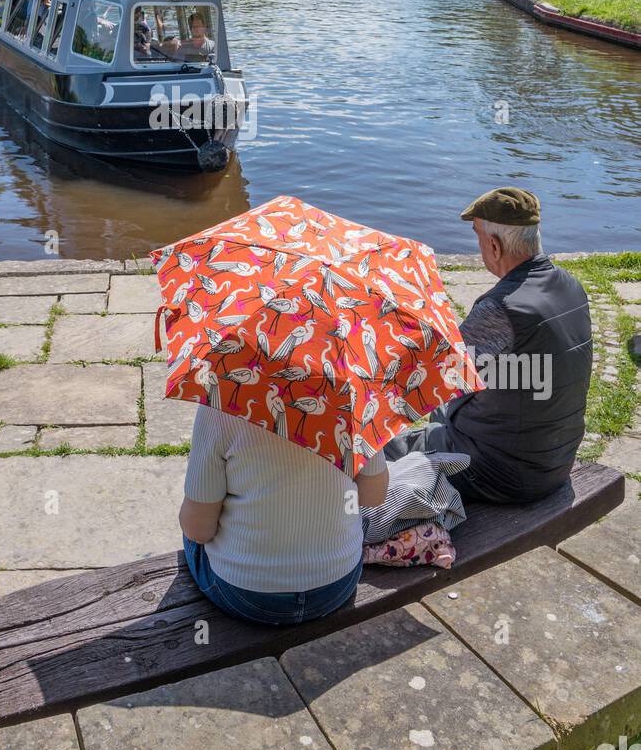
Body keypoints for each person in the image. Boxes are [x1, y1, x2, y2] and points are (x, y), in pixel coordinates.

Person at [385, 187, 592, 504]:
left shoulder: (502, 308)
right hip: (554, 460)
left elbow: (435, 374)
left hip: (503, 476)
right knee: (444, 410)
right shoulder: (570, 286)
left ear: (494, 246)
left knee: (389, 449)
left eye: (478, 236)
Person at [181, 405, 388, 626]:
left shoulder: (218, 406)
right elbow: (373, 496)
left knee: (192, 529)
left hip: (245, 595)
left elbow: (198, 530)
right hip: (337, 585)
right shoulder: (356, 401)